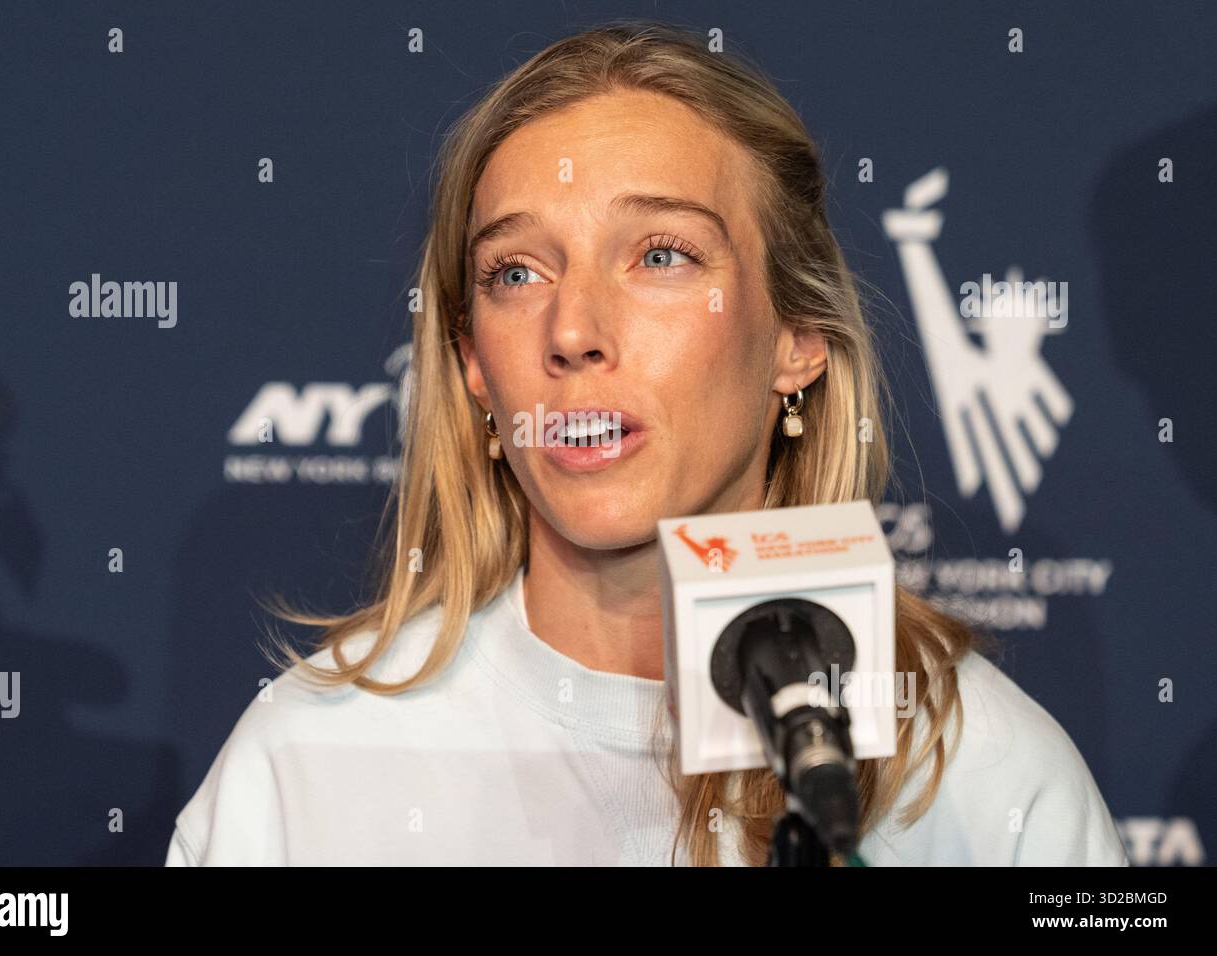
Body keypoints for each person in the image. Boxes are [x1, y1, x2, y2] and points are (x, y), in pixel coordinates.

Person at [165, 20, 1128, 867]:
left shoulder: (983, 778)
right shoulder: (306, 769)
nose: (572, 328)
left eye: (661, 255)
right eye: (516, 270)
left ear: (797, 341)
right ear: (471, 363)